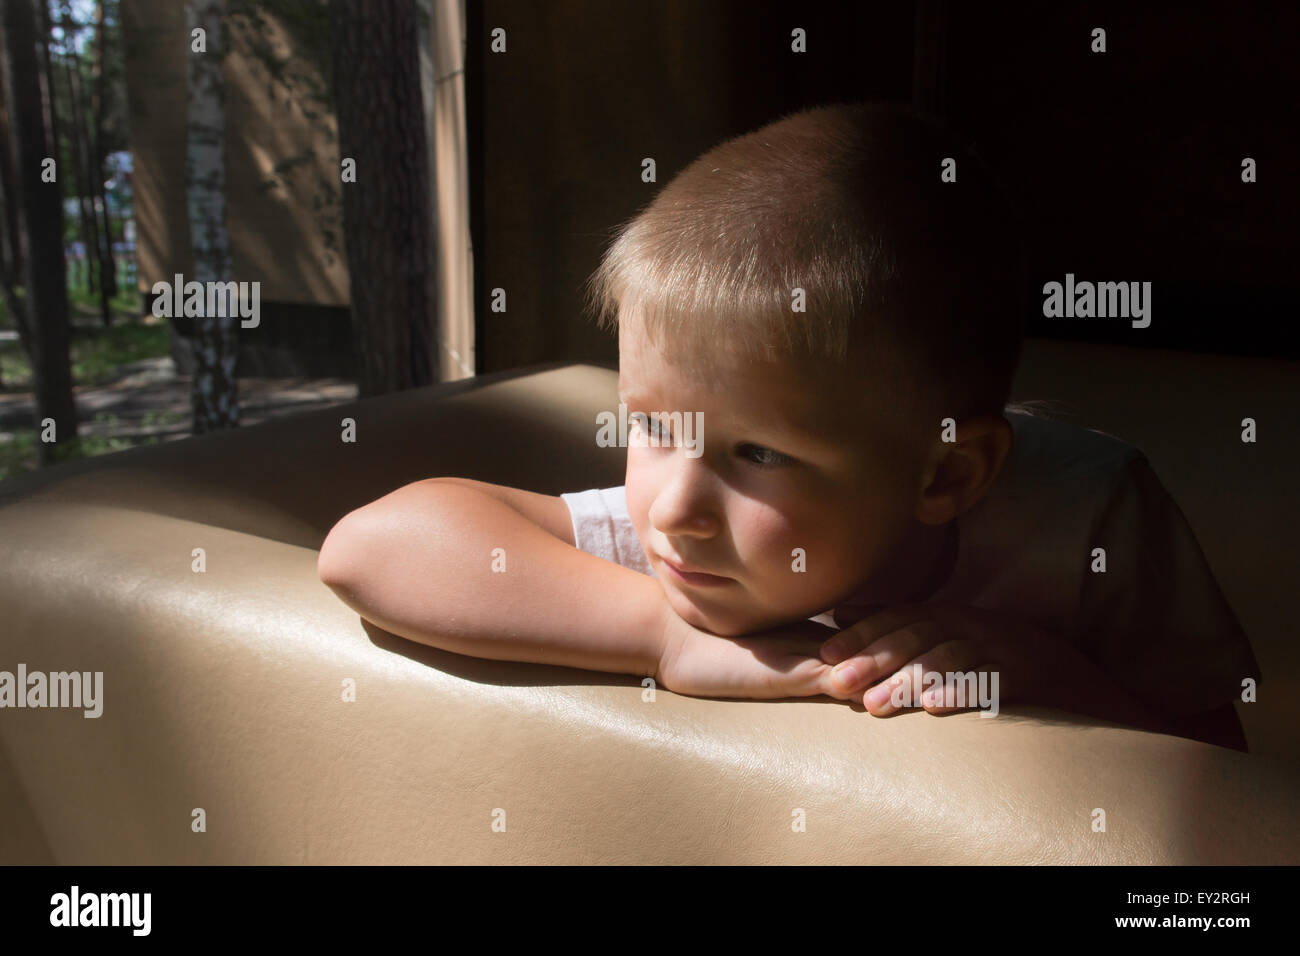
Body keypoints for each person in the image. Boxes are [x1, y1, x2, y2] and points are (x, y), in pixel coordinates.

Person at [318, 102, 1260, 751]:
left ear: (946, 478)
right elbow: (370, 549)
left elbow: (1220, 780)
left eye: (758, 454)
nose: (675, 506)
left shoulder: (1093, 516)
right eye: (652, 425)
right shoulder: (685, 546)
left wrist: (1057, 679)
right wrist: (665, 640)